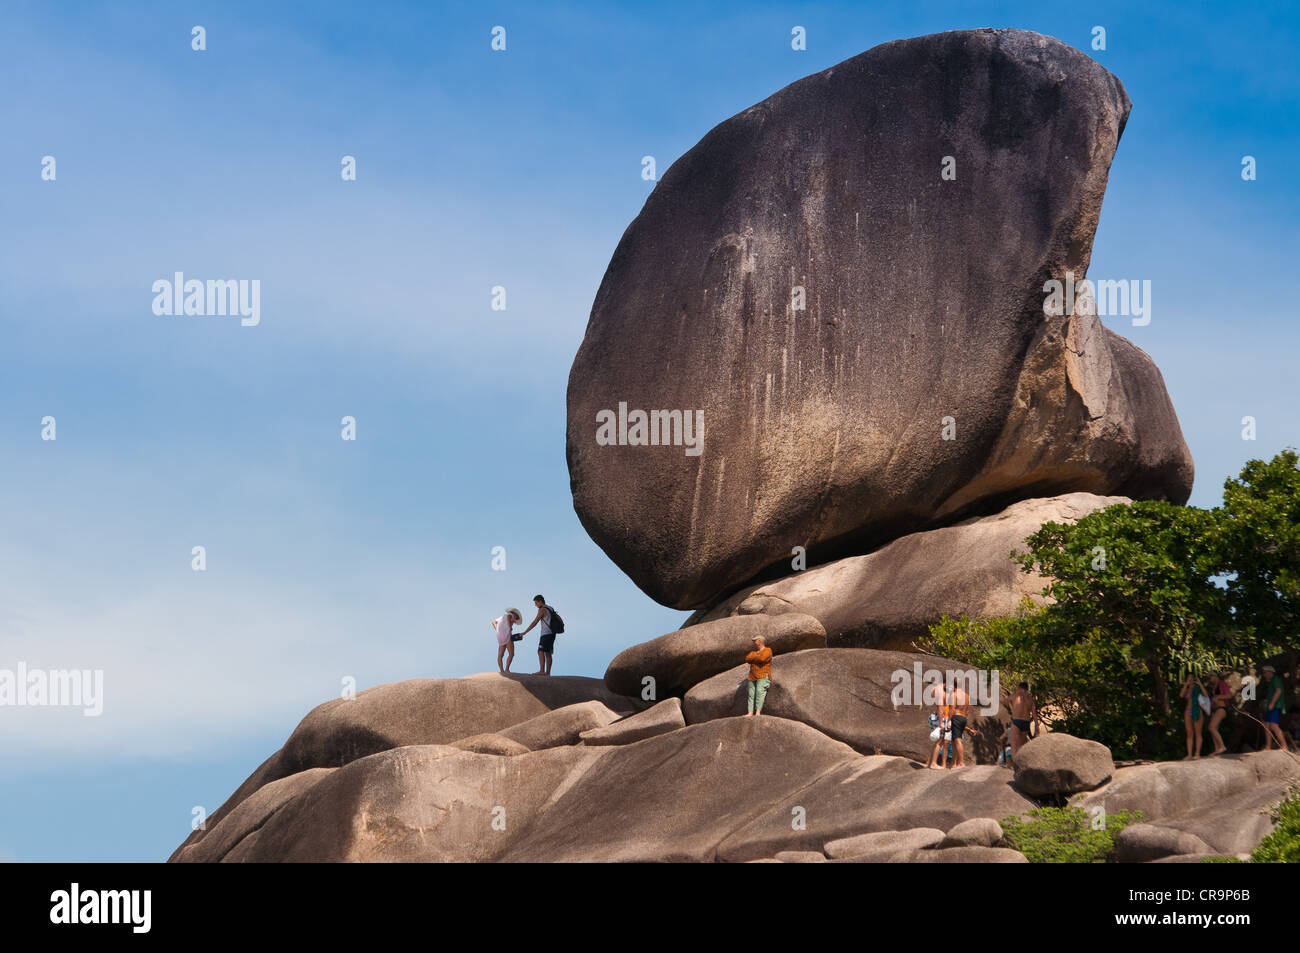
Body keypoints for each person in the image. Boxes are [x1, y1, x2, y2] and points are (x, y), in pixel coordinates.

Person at [517, 594, 557, 676]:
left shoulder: (542, 609)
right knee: (548, 653)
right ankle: (547, 672)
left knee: (540, 651)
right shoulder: (551, 608)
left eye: (536, 603)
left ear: (540, 601)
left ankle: (542, 671)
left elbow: (535, 622)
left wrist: (525, 632)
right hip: (552, 633)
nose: (535, 605)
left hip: (546, 634)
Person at [1260, 663, 1290, 752]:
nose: (1264, 674)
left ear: (1270, 672)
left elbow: (1278, 690)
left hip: (1275, 706)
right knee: (1266, 725)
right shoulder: (1271, 681)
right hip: (1271, 706)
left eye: (1265, 672)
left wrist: (1272, 703)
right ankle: (1268, 746)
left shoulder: (1275, 679)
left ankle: (1284, 746)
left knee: (1274, 725)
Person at [1006, 682, 1037, 763]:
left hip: (1016, 721)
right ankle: (1023, 762)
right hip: (1026, 722)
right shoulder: (1030, 699)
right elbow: (1034, 713)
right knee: (1022, 745)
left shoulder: (1015, 695)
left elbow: (1004, 702)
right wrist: (1036, 726)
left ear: (1019, 687)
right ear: (1027, 689)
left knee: (1013, 743)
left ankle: (1015, 765)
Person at [1180, 671, 1207, 759]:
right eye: (1189, 678)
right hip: (1188, 711)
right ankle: (1189, 754)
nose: (1190, 680)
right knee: (1189, 733)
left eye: (1192, 678)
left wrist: (1200, 684)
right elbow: (1181, 695)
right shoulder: (1187, 688)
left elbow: (1206, 696)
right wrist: (1186, 684)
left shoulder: (1198, 688)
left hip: (1197, 710)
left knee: (1198, 732)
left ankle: (1197, 753)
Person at [1207, 671, 1233, 755]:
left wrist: (1218, 696)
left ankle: (1222, 746)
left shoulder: (1222, 684)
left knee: (1212, 727)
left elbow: (1229, 695)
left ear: (1216, 676)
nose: (1210, 678)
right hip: (1215, 709)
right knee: (1214, 729)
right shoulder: (1212, 687)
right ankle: (1217, 749)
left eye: (1211, 676)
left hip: (1221, 708)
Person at [745, 635, 772, 716]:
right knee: (751, 694)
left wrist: (754, 658)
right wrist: (757, 656)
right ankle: (750, 712)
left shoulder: (768, 650)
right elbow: (747, 659)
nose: (754, 642)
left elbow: (762, 659)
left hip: (763, 675)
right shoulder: (753, 652)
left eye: (755, 641)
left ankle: (757, 712)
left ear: (760, 641)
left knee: (759, 693)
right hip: (752, 676)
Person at [927, 681, 951, 770]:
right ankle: (933, 763)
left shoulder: (936, 689)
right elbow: (941, 708)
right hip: (940, 718)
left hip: (935, 716)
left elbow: (933, 697)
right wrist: (941, 723)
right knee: (940, 741)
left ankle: (930, 763)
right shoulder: (942, 692)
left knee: (937, 741)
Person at [491, 608, 523, 674]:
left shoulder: (501, 617)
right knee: (511, 653)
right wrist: (509, 627)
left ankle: (502, 671)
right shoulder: (510, 614)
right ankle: (507, 669)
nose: (515, 619)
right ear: (515, 614)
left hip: (500, 636)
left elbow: (493, 622)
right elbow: (509, 617)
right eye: (516, 617)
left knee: (500, 655)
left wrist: (497, 629)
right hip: (507, 635)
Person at [949, 677, 969, 769]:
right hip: (963, 718)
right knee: (954, 741)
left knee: (957, 740)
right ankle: (953, 763)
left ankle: (961, 762)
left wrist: (949, 720)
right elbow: (968, 710)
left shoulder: (954, 694)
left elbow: (952, 708)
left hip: (956, 717)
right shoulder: (966, 696)